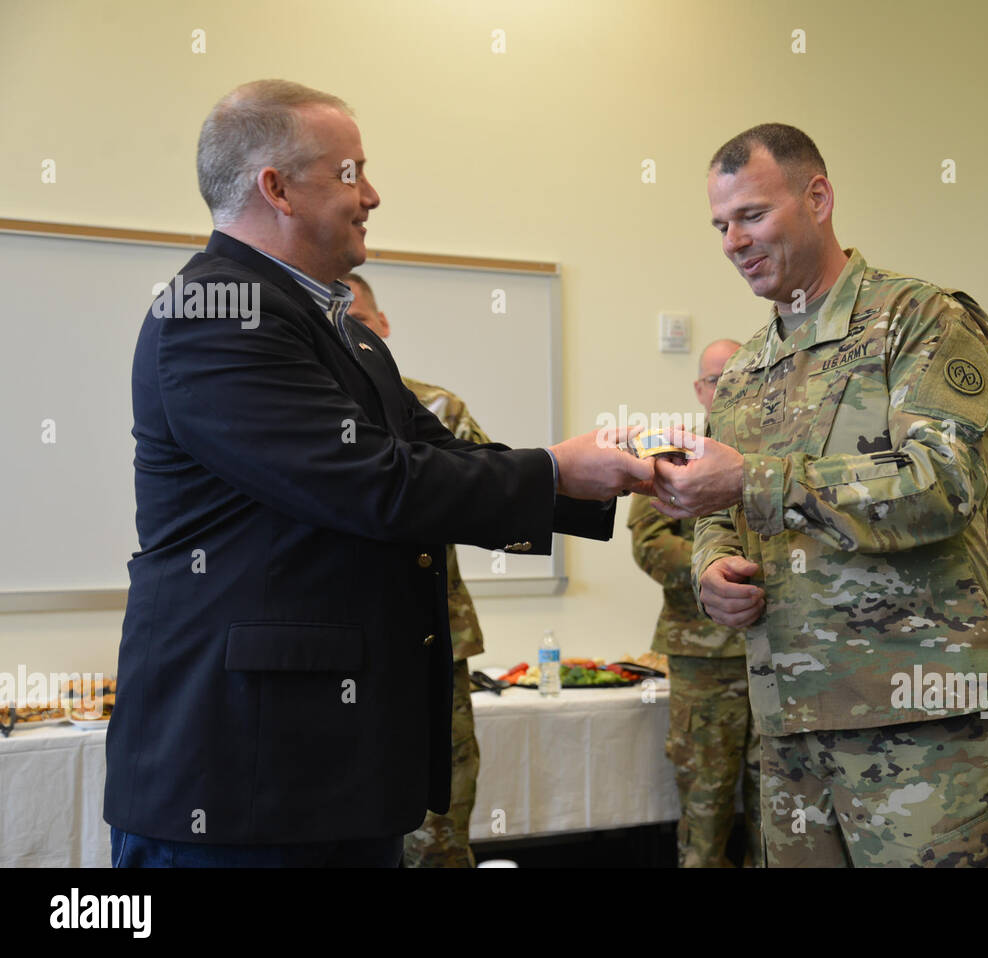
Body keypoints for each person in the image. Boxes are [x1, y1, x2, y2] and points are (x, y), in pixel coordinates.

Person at [105, 79, 652, 867]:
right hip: (241, 781)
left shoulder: (339, 333)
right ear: (277, 188)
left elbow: (442, 460)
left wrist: (592, 471)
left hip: (334, 771)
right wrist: (556, 471)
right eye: (352, 173)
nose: (374, 197)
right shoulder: (215, 311)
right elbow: (371, 484)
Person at [651, 123, 988, 867]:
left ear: (819, 197)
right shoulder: (743, 373)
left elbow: (943, 485)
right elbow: (720, 514)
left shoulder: (920, 321)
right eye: (719, 224)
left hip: (921, 724)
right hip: (788, 722)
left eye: (752, 215)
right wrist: (712, 569)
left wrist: (756, 478)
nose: (733, 241)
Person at [345, 272, 485, 869]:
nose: (351, 334)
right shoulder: (292, 410)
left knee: (438, 831)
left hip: (431, 641)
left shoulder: (434, 407)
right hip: (335, 647)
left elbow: (489, 501)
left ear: (383, 330)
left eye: (362, 322)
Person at [627, 338, 761, 868]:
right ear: (700, 390)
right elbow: (651, 546)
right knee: (706, 799)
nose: (727, 388)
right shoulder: (667, 447)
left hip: (780, 649)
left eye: (738, 376)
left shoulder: (773, 446)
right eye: (716, 380)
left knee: (781, 800)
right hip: (703, 655)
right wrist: (715, 568)